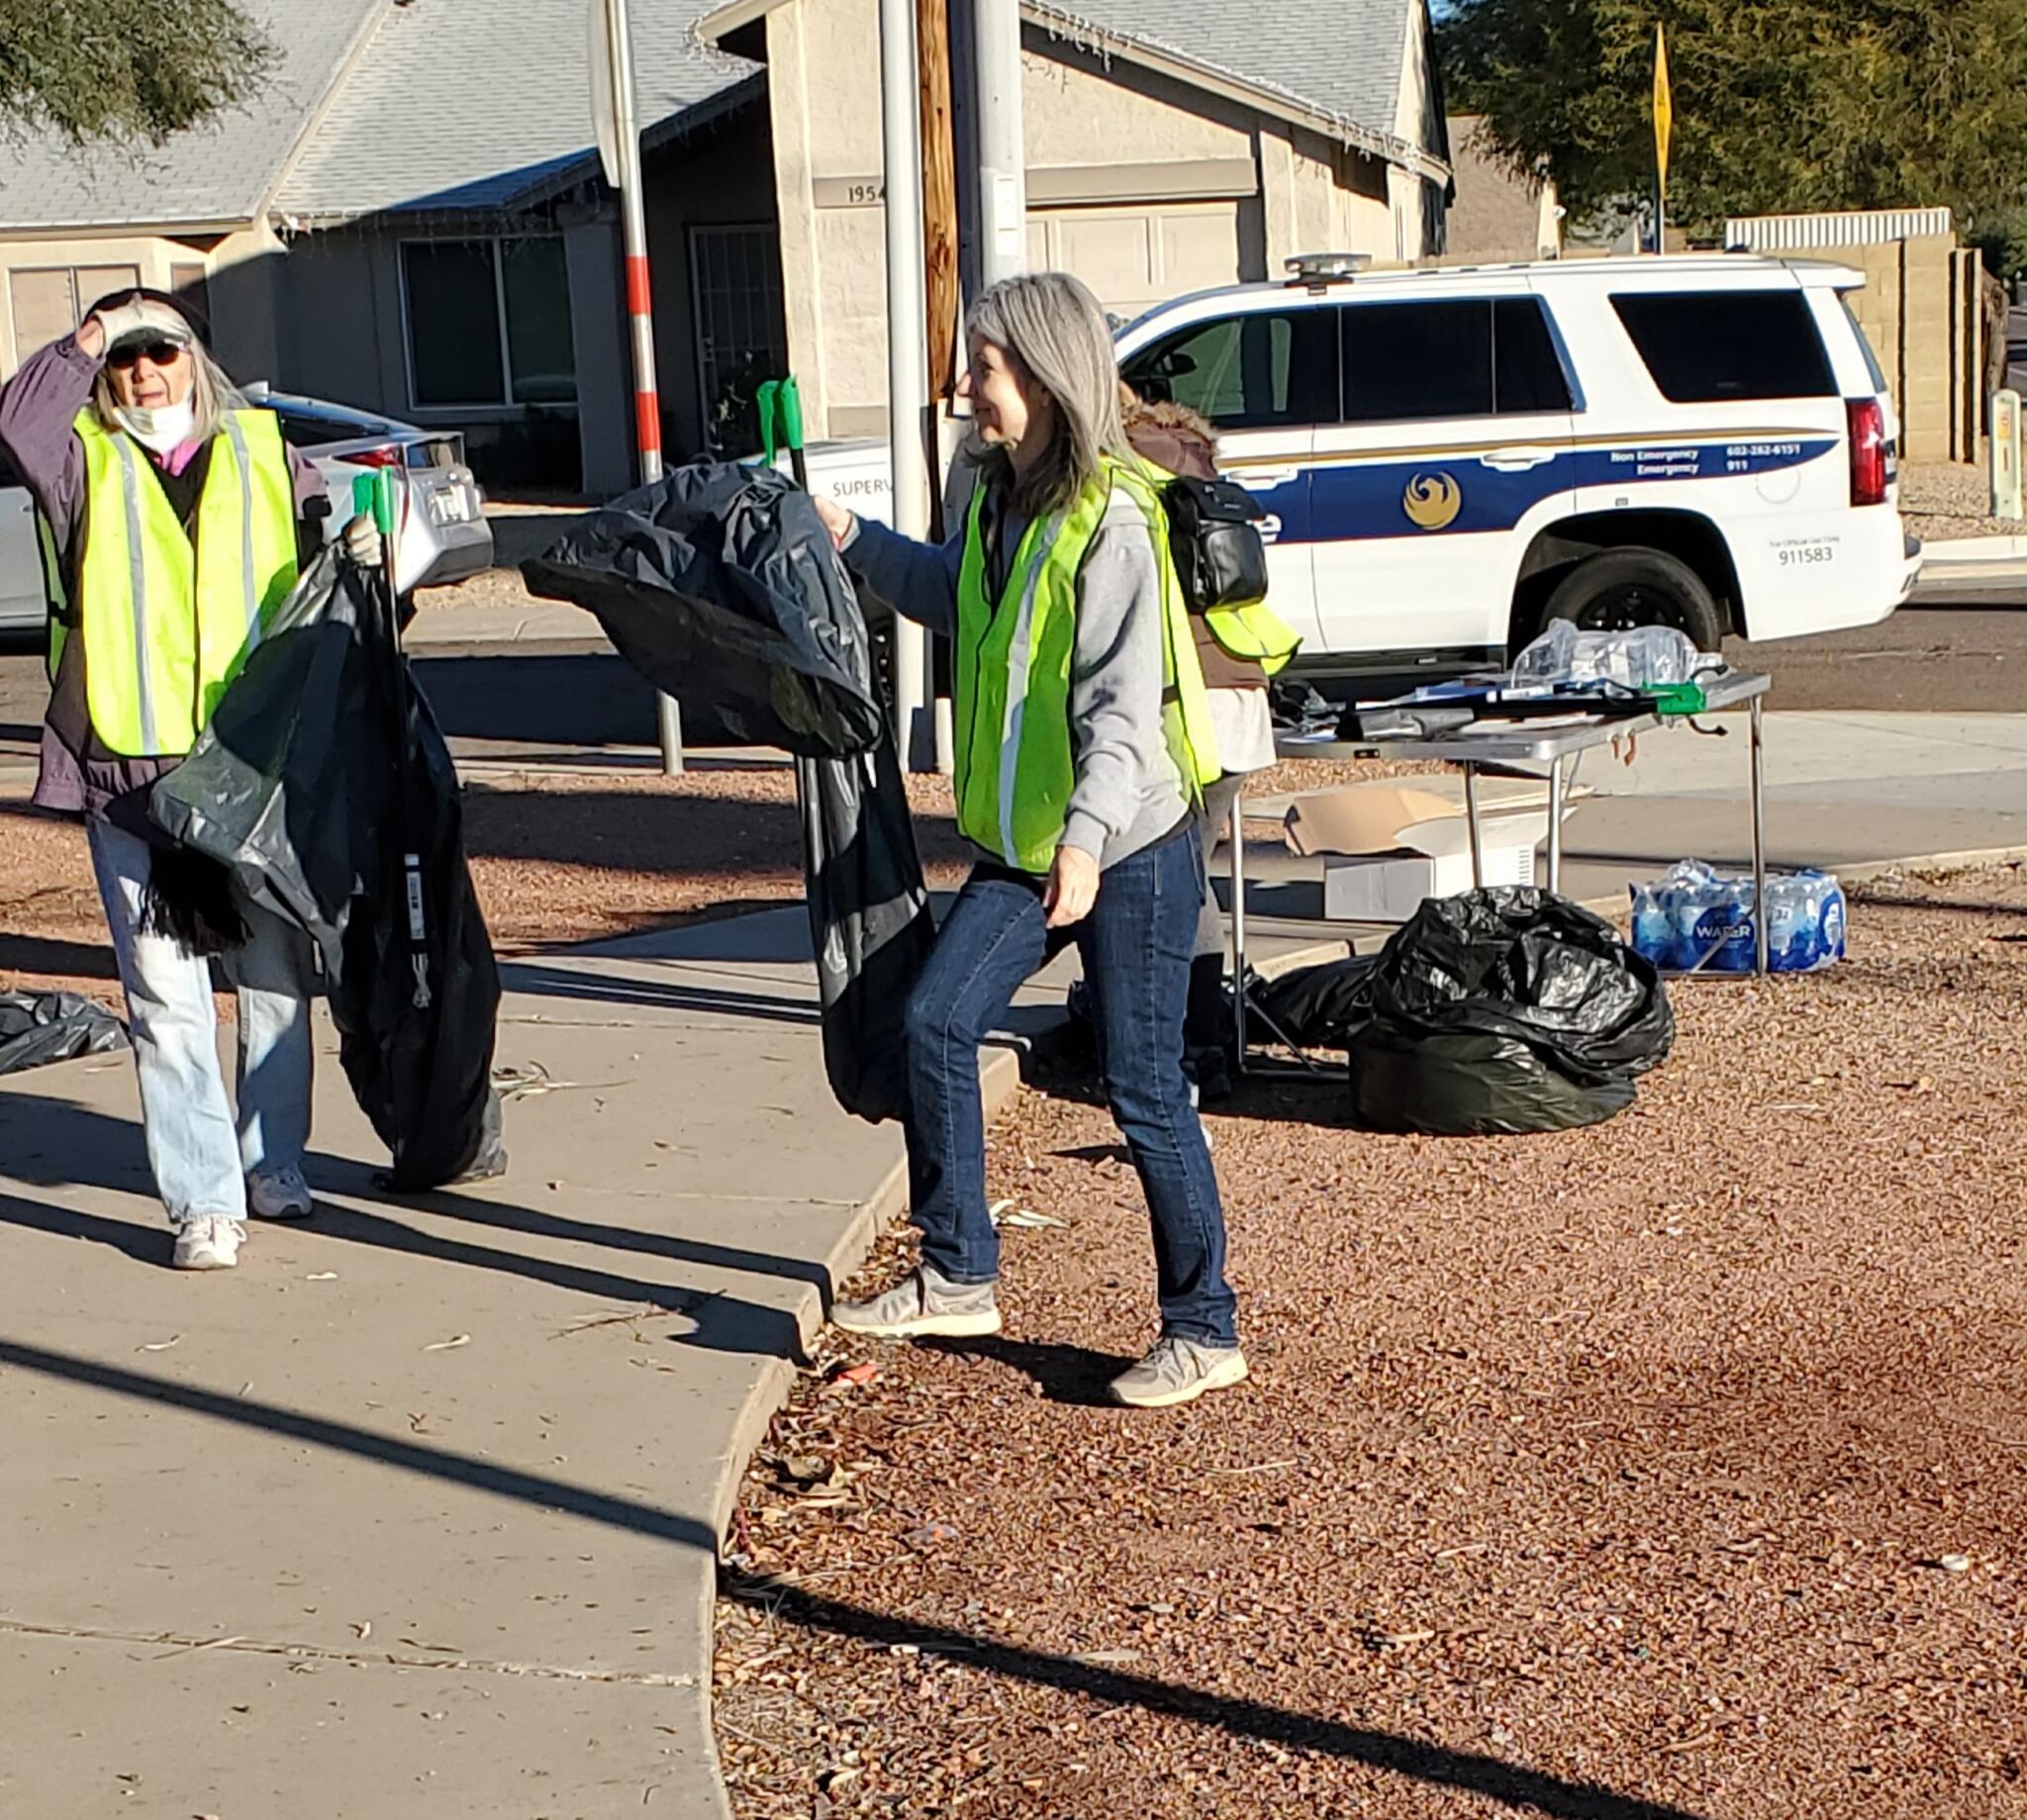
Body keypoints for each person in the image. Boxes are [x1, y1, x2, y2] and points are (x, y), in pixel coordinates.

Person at [814, 271, 1246, 1409]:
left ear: (1047, 379)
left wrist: (1088, 843)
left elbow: (1120, 710)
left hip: (1127, 842)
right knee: (933, 1020)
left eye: (986, 368)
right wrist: (851, 538)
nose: (966, 387)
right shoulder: (995, 495)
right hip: (1028, 839)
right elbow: (954, 595)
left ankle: (1202, 1329)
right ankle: (959, 1272)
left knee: (1141, 1086)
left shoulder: (1111, 518)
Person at [0, 289, 386, 1271]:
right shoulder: (81, 459)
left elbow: (330, 563)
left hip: (253, 777)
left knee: (274, 985)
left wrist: (370, 558)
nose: (143, 372)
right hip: (133, 781)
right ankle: (204, 1202)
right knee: (167, 1002)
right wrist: (93, 329)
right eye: (123, 357)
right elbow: (17, 421)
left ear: (195, 360)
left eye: (161, 351)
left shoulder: (264, 453)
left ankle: (271, 1164)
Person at [1116, 384, 1299, 1101]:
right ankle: (1207, 1040)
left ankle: (1188, 1049)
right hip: (1240, 686)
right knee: (1193, 873)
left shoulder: (1124, 467)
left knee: (1173, 882)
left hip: (1185, 697)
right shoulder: (1195, 461)